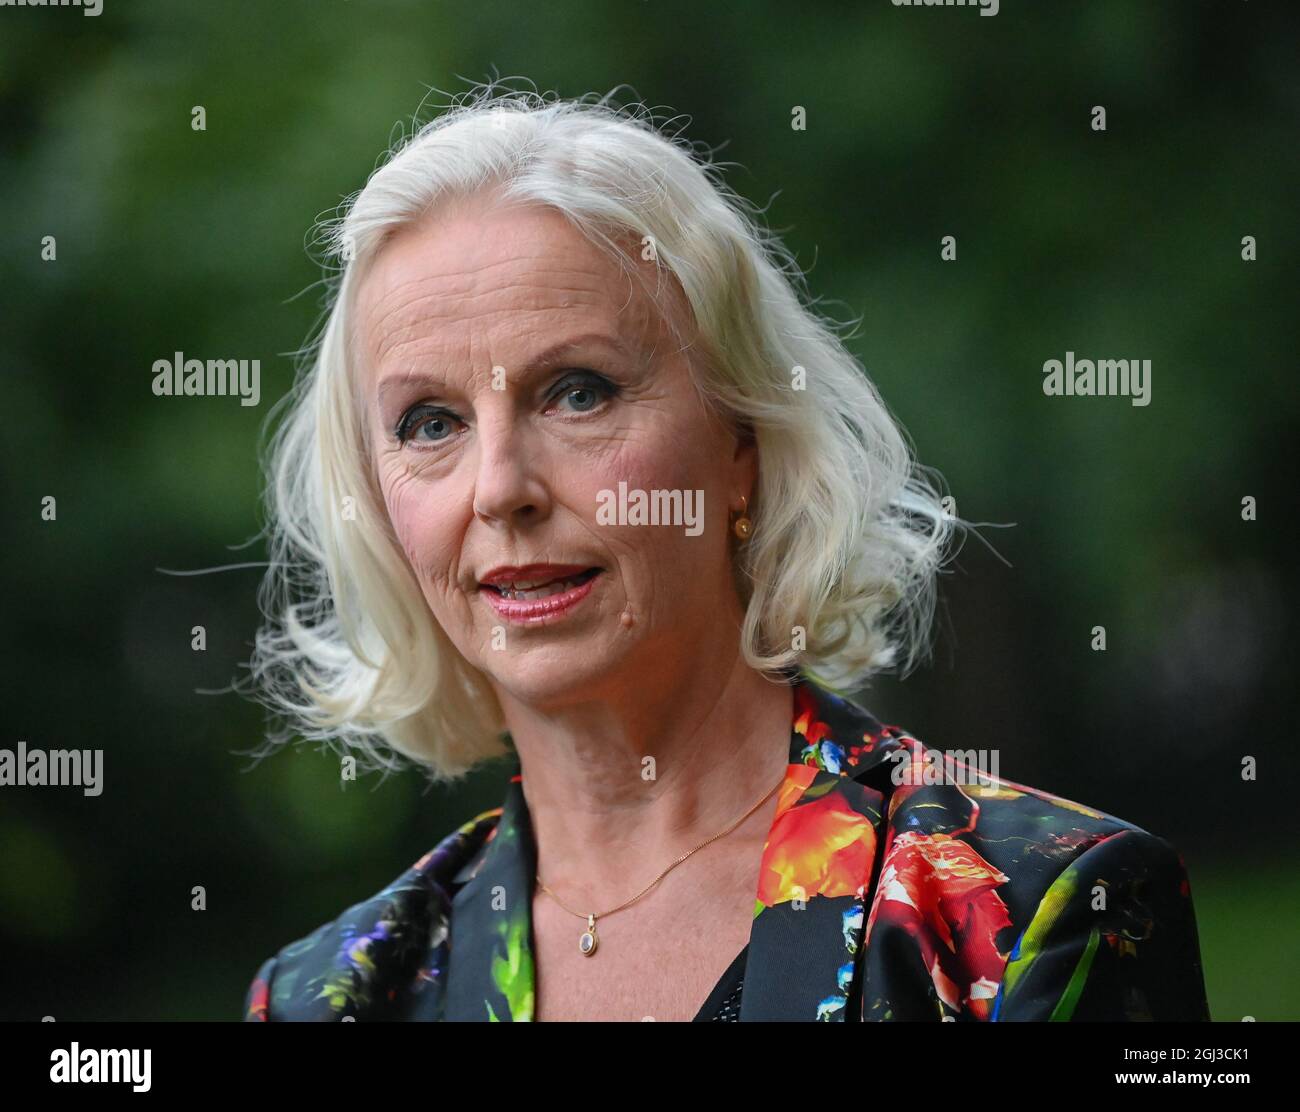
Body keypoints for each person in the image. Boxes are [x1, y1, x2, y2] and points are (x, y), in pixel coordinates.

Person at [240, 87, 1210, 1022]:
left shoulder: (1035, 910)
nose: (499, 487)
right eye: (429, 420)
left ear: (742, 439)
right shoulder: (332, 993)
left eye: (577, 391)